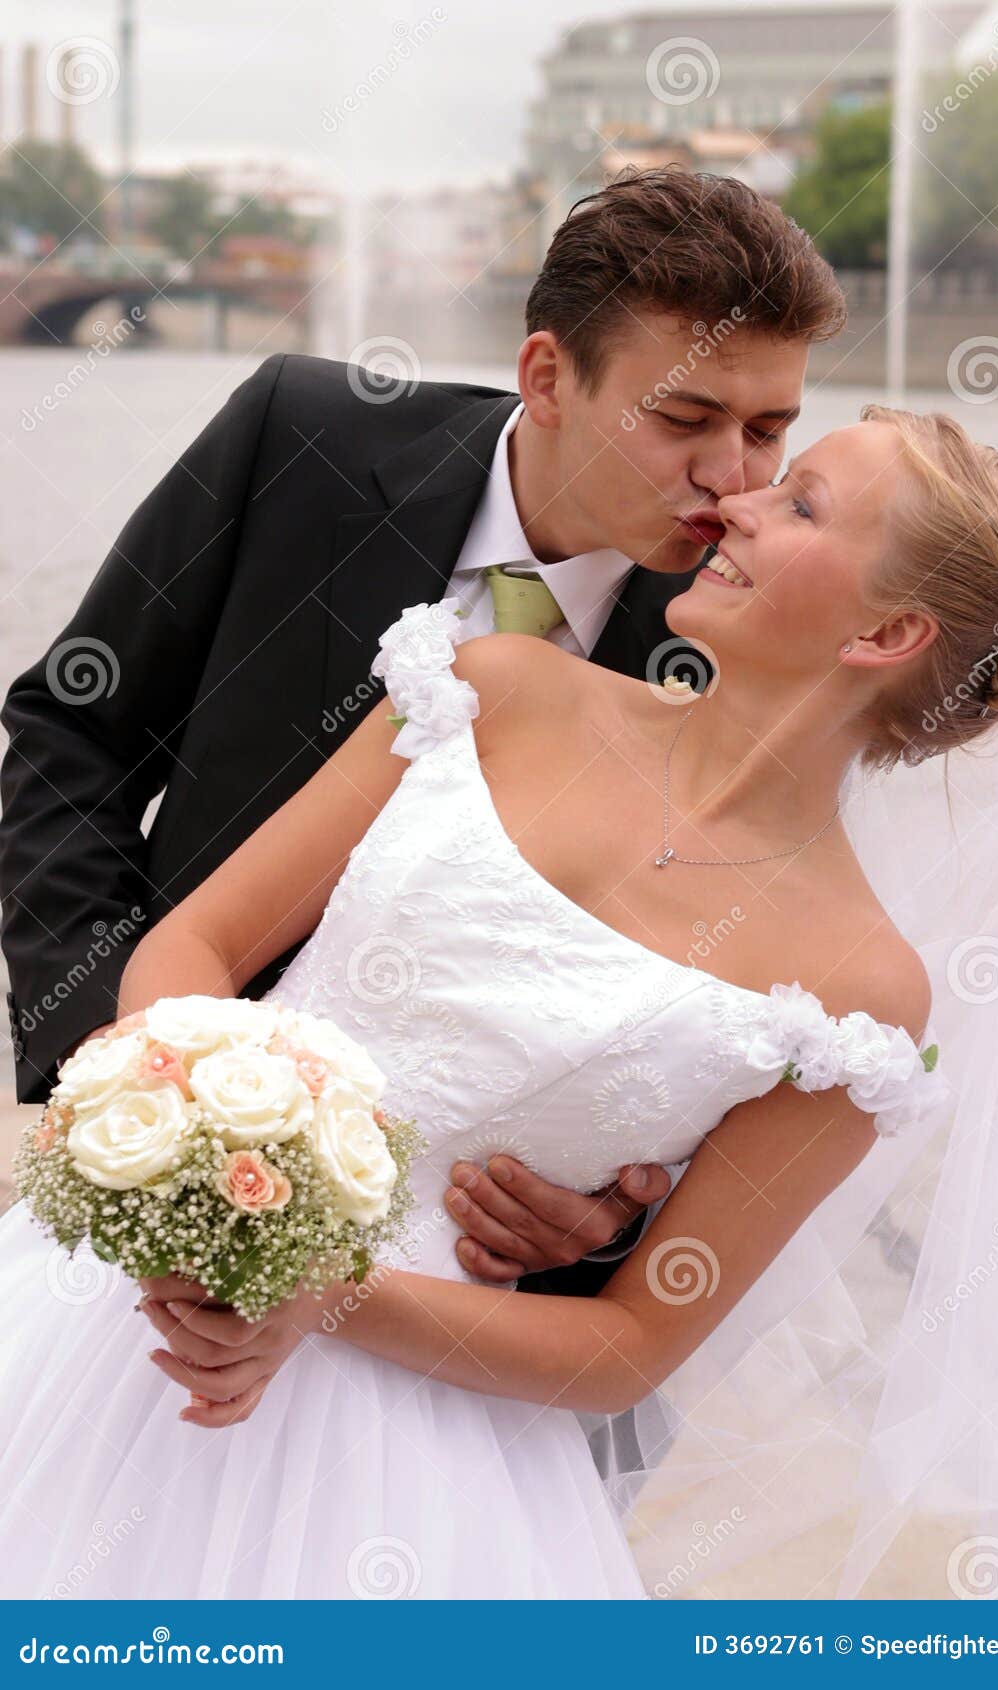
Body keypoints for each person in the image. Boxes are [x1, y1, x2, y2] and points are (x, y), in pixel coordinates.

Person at [0, 406, 998, 1599]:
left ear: (889, 629)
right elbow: (200, 936)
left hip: (416, 1450)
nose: (739, 501)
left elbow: (629, 1348)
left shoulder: (861, 994)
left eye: (800, 501)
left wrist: (319, 1292)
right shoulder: (492, 689)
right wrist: (200, 1182)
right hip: (115, 1302)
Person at [0, 168, 846, 1301]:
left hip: (445, 1286)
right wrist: (121, 1079)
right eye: (685, 419)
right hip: (141, 1157)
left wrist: (608, 1217)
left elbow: (725, 1008)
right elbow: (75, 734)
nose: (730, 478)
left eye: (769, 429)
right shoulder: (296, 434)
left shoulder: (744, 643)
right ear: (546, 375)